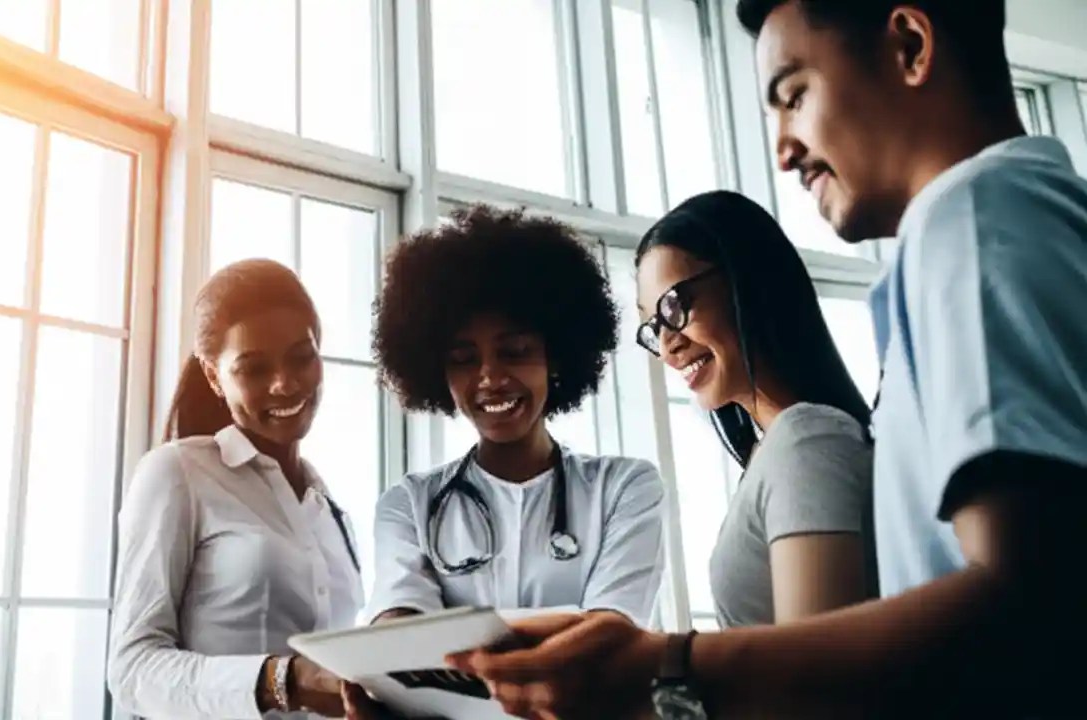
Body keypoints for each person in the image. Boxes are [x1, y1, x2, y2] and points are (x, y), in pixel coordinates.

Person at [449, 0, 1087, 717]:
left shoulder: (972, 221)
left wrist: (666, 669)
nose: (782, 149)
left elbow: (1038, 604)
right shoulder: (1022, 217)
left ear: (910, 45)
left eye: (794, 96)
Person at [363, 204, 666, 624]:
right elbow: (399, 633)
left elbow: (612, 631)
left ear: (555, 356)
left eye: (515, 352)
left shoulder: (623, 488)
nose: (490, 377)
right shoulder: (409, 505)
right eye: (464, 359)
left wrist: (454, 636)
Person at [107, 259, 363, 719]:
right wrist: (281, 682)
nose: (284, 383)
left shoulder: (330, 510)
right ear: (213, 377)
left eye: (301, 358)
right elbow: (131, 670)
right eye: (254, 369)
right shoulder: (177, 473)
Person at [635, 190, 875, 628]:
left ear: (746, 282)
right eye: (652, 326)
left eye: (674, 307)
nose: (667, 346)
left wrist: (660, 667)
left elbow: (820, 673)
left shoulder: (808, 440)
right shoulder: (775, 449)